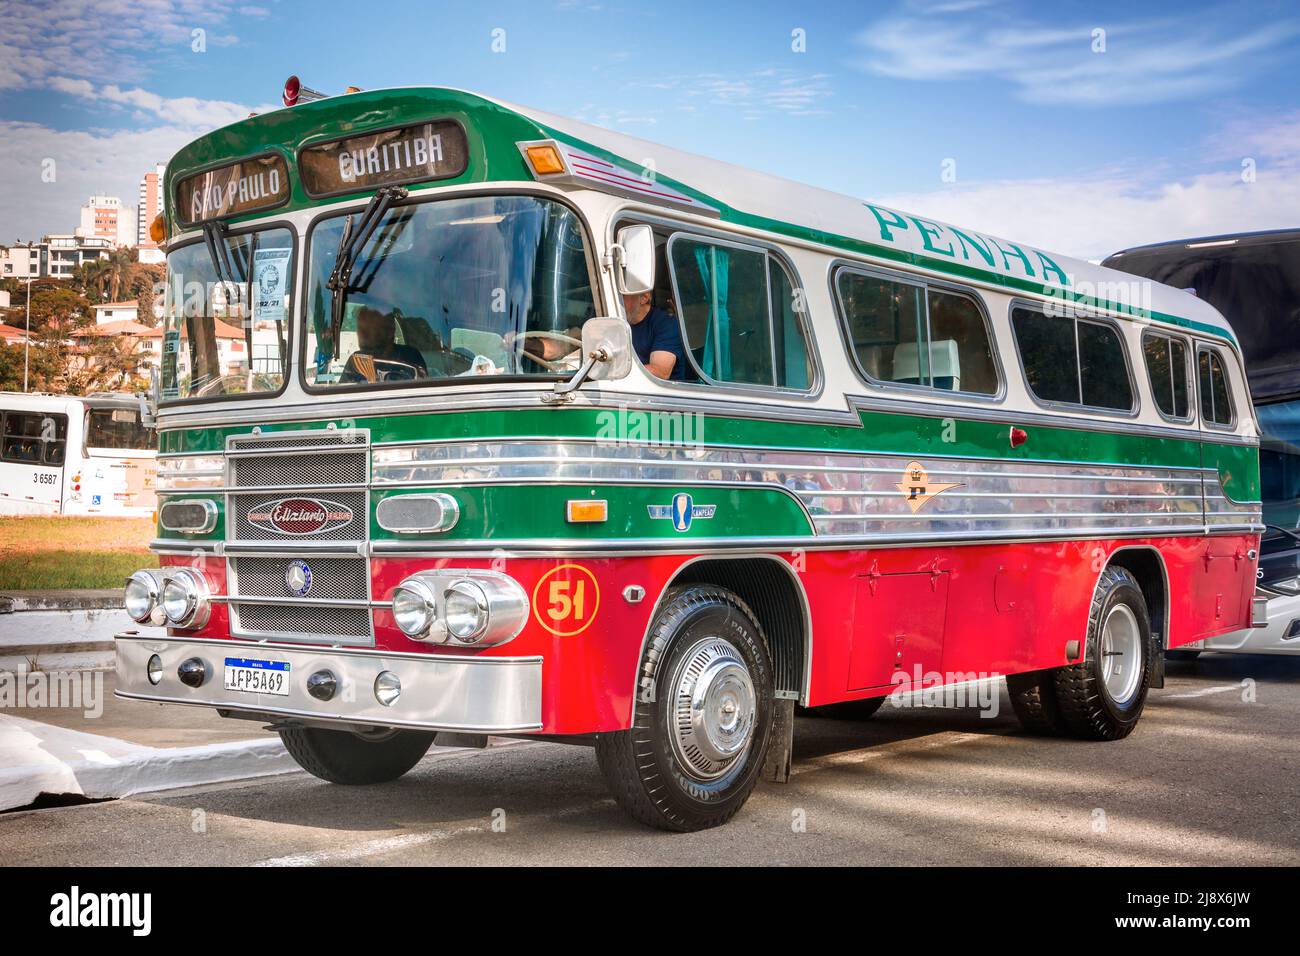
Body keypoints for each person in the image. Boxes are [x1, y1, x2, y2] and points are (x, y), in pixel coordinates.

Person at [342, 307, 427, 382]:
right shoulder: (356, 361)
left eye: (369, 328)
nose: (362, 335)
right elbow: (344, 394)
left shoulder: (411, 356)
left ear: (390, 331)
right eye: (360, 329)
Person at [624, 290, 687, 381]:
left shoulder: (666, 323)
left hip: (661, 393)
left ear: (644, 298)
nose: (617, 301)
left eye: (622, 296)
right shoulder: (617, 324)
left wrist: (615, 372)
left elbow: (660, 372)